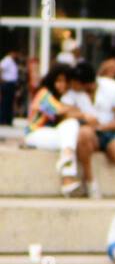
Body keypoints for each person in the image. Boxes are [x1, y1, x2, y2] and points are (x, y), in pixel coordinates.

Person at [63, 60, 115, 197]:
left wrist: (102, 127)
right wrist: (84, 116)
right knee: (84, 133)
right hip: (88, 136)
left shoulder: (112, 87)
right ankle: (90, 181)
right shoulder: (72, 93)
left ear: (82, 83)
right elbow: (64, 113)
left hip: (111, 132)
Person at [23, 65, 88, 196]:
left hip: (50, 134)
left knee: (70, 127)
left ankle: (67, 177)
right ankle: (67, 177)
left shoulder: (60, 99)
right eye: (58, 81)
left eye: (65, 81)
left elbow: (67, 114)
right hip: (35, 133)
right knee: (69, 139)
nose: (62, 85)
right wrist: (79, 112)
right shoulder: (44, 93)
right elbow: (59, 110)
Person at [0, 50, 20, 126]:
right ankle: (3, 119)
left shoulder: (12, 61)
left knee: (9, 103)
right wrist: (1, 79)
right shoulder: (7, 60)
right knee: (5, 102)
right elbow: (1, 68)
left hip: (11, 84)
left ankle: (8, 120)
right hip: (7, 84)